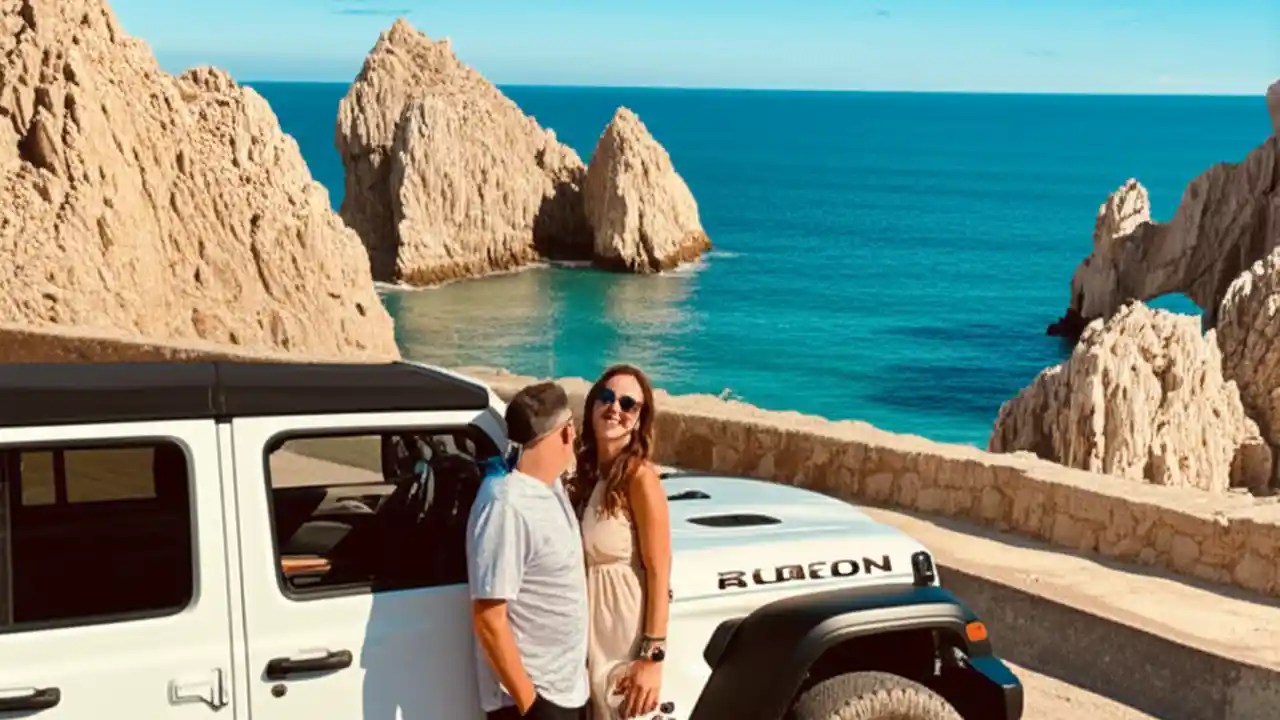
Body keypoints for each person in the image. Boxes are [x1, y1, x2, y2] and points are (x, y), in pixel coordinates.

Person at [466, 381, 590, 720]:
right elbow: (489, 617)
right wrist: (531, 705)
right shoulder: (506, 504)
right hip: (534, 698)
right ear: (567, 432)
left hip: (567, 688)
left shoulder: (551, 486)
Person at [569, 364, 671, 720]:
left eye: (629, 404)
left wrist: (651, 658)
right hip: (589, 636)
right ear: (593, 405)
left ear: (640, 419)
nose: (615, 409)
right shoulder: (584, 475)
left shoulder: (641, 478)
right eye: (607, 397)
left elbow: (660, 571)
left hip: (625, 633)